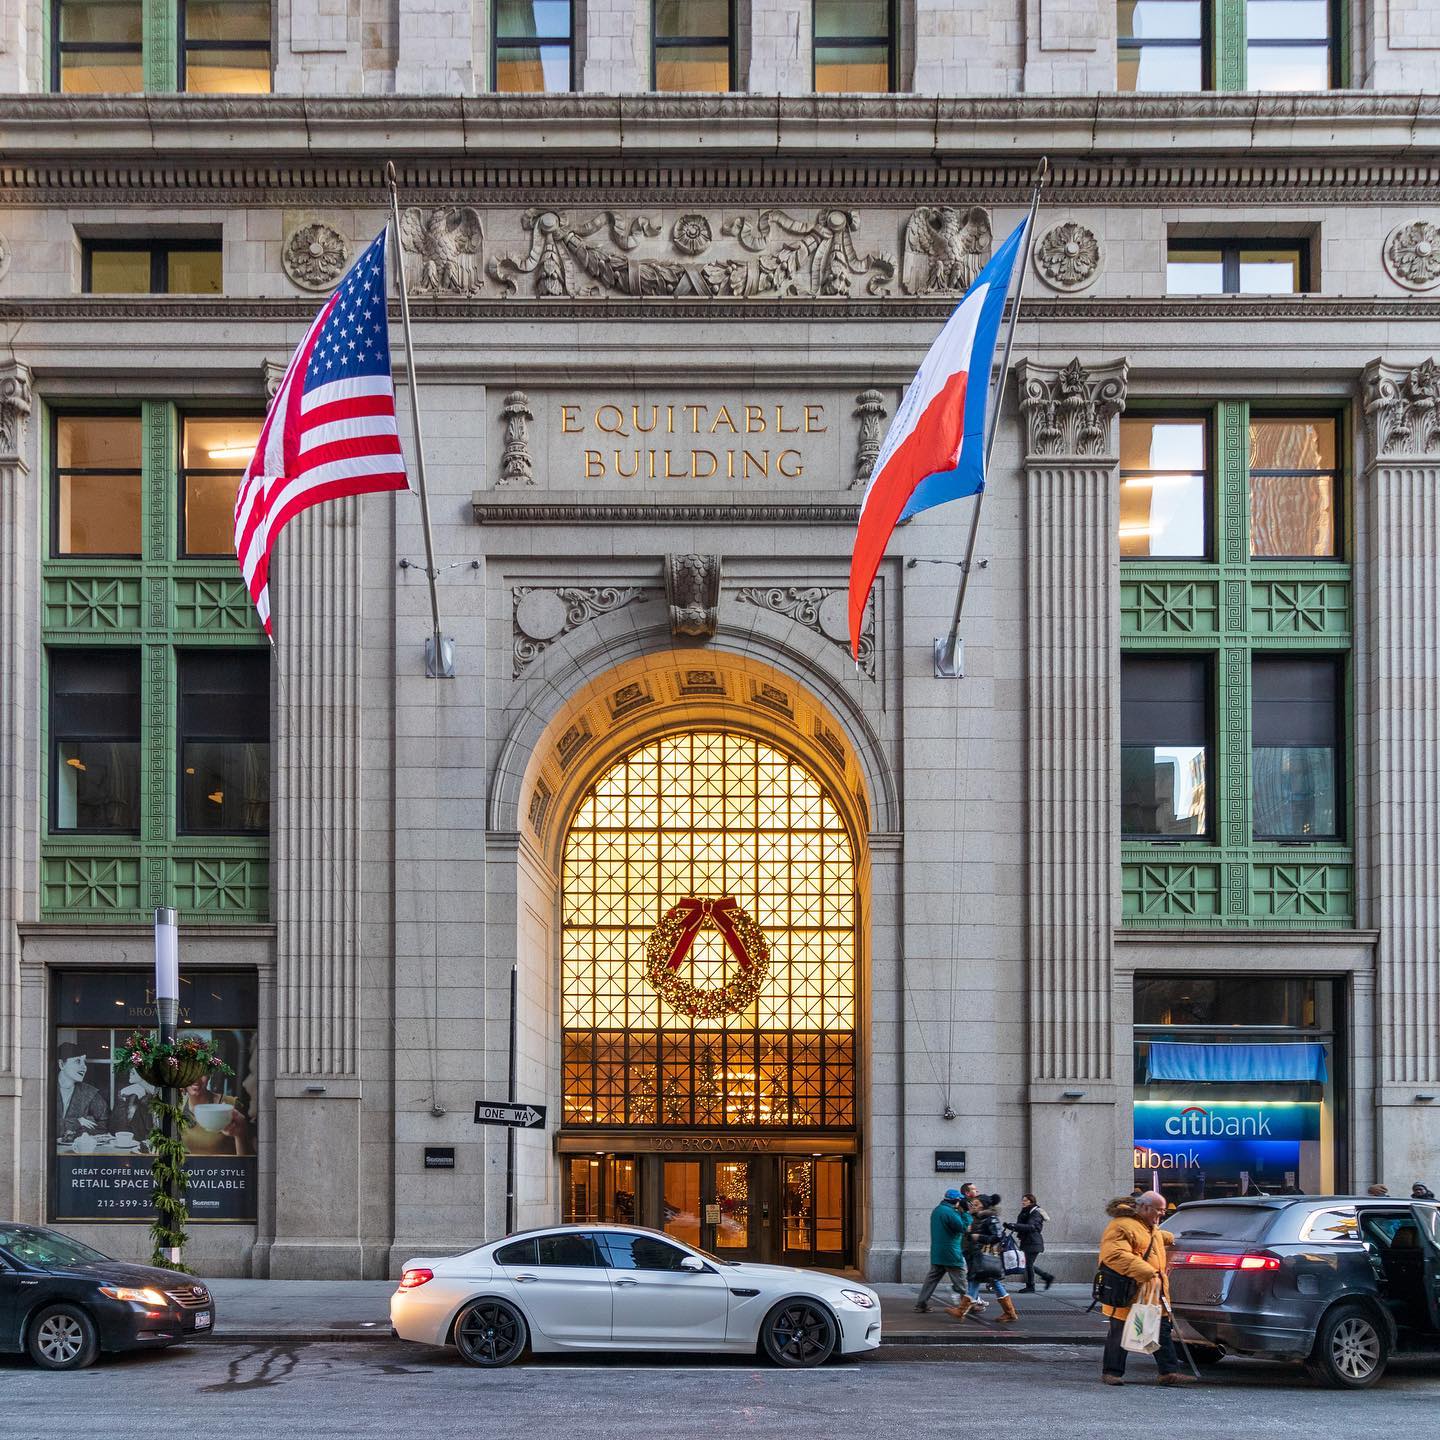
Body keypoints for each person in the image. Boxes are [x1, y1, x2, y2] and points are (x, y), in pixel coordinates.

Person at [1097, 1191, 1195, 1387]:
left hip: (1151, 1291)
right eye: (1159, 1211)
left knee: (1161, 1330)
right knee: (1120, 1331)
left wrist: (1176, 1238)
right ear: (1145, 1208)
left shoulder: (1148, 1226)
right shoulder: (1121, 1225)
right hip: (1129, 1290)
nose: (1161, 1215)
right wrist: (1147, 1271)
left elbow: (1156, 1237)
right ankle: (1112, 1373)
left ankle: (1168, 1372)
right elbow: (1114, 1255)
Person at [955, 1194, 1018, 1324]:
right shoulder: (978, 1218)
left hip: (984, 1257)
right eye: (972, 1204)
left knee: (976, 1281)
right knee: (990, 1282)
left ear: (982, 1206)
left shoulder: (991, 1218)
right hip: (976, 1256)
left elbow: (998, 1236)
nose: (972, 1206)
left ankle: (961, 1311)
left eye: (976, 1204)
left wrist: (978, 1237)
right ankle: (1009, 1312)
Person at [914, 1187, 971, 1316]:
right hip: (951, 1252)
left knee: (931, 1280)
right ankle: (970, 1304)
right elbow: (963, 1228)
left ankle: (921, 1304)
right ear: (956, 1201)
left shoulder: (938, 1210)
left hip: (937, 1252)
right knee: (961, 1282)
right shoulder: (950, 1213)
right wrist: (966, 1213)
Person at [55, 1042, 108, 1142]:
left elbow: (103, 1124)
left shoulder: (89, 1092)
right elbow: (40, 1125)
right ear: (61, 1064)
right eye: (78, 1061)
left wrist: (74, 1131)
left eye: (84, 1062)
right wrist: (77, 1122)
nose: (84, 1067)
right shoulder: (45, 1089)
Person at [1014, 1193, 1055, 1292]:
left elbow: (1031, 1226)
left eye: (1025, 1200)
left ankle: (1031, 1286)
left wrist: (1015, 1226)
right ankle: (1047, 1277)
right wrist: (1013, 1226)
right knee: (1028, 1263)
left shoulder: (1035, 1213)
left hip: (1033, 1242)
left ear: (1031, 1201)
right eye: (1022, 1200)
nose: (1023, 1202)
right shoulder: (1026, 1212)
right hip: (1027, 1241)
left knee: (1028, 1264)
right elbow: (1022, 1225)